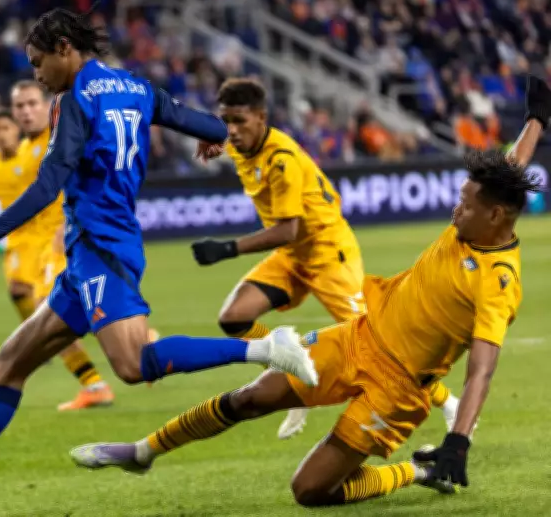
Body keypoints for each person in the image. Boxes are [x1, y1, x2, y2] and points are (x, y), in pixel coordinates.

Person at [0, 7, 317, 513]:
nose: (37, 75)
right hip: (90, 253)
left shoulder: (72, 101)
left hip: (101, 247)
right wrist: (215, 136)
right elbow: (201, 122)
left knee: (133, 365)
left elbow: (48, 185)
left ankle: (270, 351)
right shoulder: (134, 87)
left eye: (38, 62)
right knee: (8, 364)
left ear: (64, 48)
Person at [70, 76, 550, 506]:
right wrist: (536, 119)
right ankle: (143, 451)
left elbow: (482, 371)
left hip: (397, 389)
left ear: (497, 217)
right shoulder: (478, 218)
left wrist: (458, 442)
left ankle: (418, 469)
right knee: (250, 399)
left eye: (464, 207)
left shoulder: (499, 282)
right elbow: (510, 169)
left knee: (311, 491)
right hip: (356, 337)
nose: (453, 211)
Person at [191, 78, 463, 439]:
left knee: (380, 344)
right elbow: (216, 133)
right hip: (293, 257)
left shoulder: (281, 159)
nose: (232, 130)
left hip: (328, 253)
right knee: (234, 317)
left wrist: (227, 249)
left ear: (261, 117)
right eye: (225, 121)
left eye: (239, 121)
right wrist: (207, 134)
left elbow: (287, 229)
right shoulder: (238, 141)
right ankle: (294, 363)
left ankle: (449, 403)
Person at [0, 82, 116, 412]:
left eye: (31, 104)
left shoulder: (63, 134)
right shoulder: (23, 153)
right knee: (40, 307)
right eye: (19, 106)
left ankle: (107, 371)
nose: (25, 112)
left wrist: (75, 221)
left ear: (44, 104)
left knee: (49, 312)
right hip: (35, 240)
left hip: (65, 236)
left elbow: (96, 173)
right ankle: (113, 365)